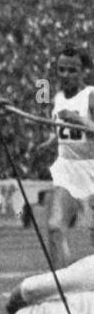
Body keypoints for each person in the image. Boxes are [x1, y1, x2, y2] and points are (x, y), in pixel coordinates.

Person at [44, 47, 94, 268]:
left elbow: (83, 127)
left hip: (91, 169)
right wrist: (48, 142)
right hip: (66, 169)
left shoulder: (91, 96)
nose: (65, 75)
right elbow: (60, 131)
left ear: (83, 71)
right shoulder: (56, 97)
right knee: (55, 227)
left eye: (72, 70)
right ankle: (63, 290)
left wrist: (79, 120)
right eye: (61, 70)